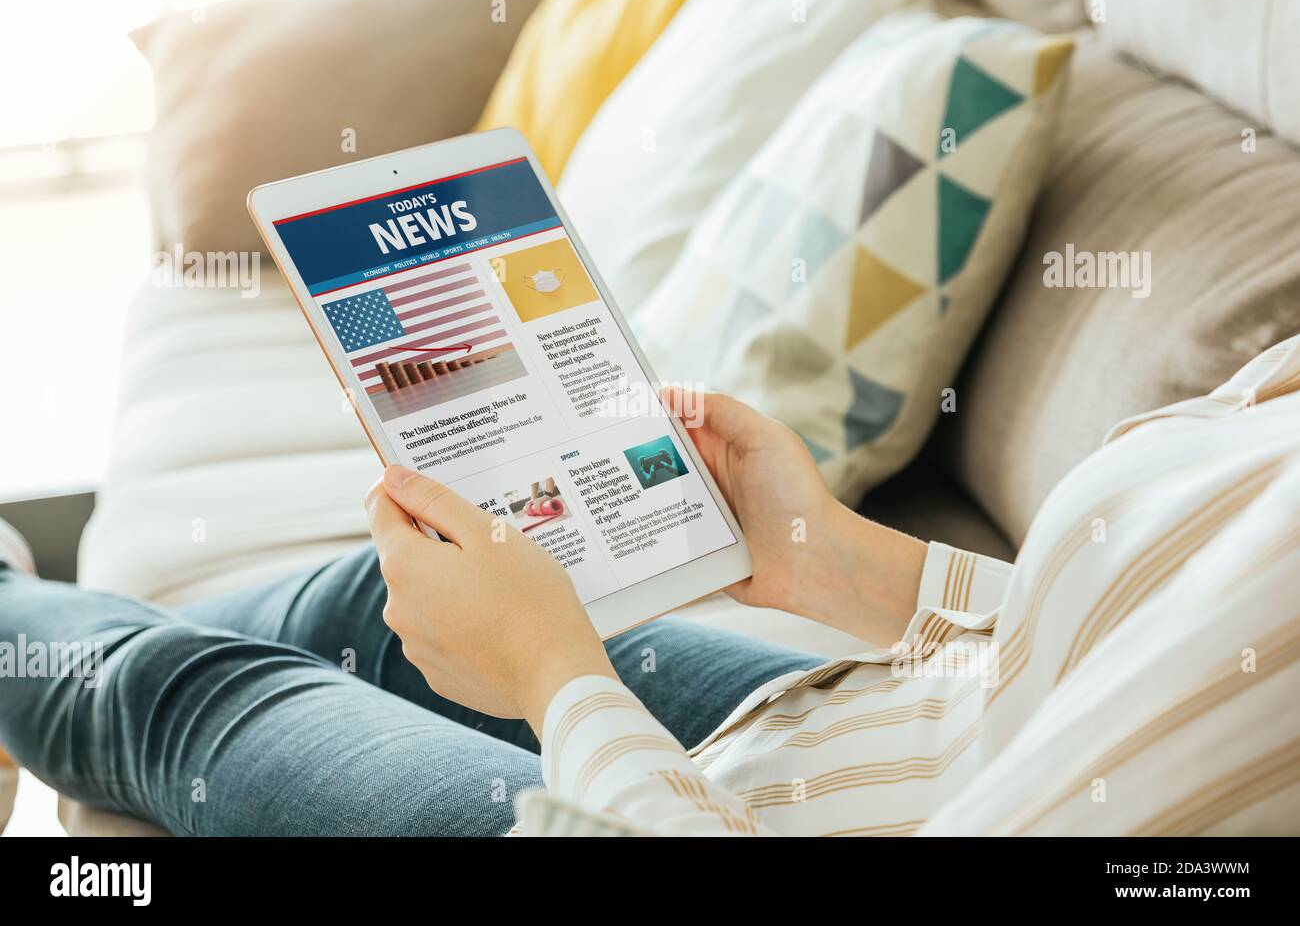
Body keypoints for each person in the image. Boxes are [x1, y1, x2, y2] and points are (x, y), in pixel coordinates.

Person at [1, 338, 1298, 836]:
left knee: (175, 701)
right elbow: (1146, 638)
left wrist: (555, 678)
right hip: (886, 732)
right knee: (364, 603)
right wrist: (846, 565)